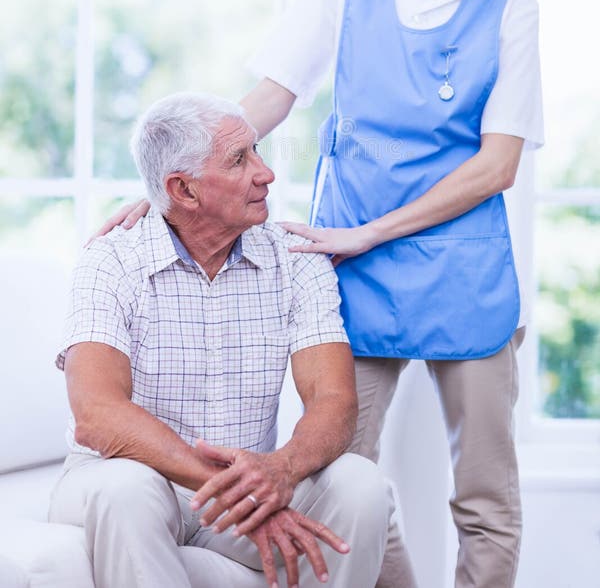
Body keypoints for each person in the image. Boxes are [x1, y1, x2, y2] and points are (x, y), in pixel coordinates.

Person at [98, 0, 544, 588]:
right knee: (349, 485)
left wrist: (369, 231)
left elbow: (497, 164)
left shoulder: (509, 7)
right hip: (354, 271)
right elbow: (274, 92)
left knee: (485, 498)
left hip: (457, 269)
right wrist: (178, 181)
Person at [49, 91, 392, 588]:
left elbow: (334, 399)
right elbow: (97, 416)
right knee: (126, 488)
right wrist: (236, 491)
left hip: (248, 488)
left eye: (257, 151)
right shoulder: (111, 260)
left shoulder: (296, 259)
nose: (265, 173)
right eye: (239, 160)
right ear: (184, 191)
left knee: (360, 484)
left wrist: (282, 470)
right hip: (128, 480)